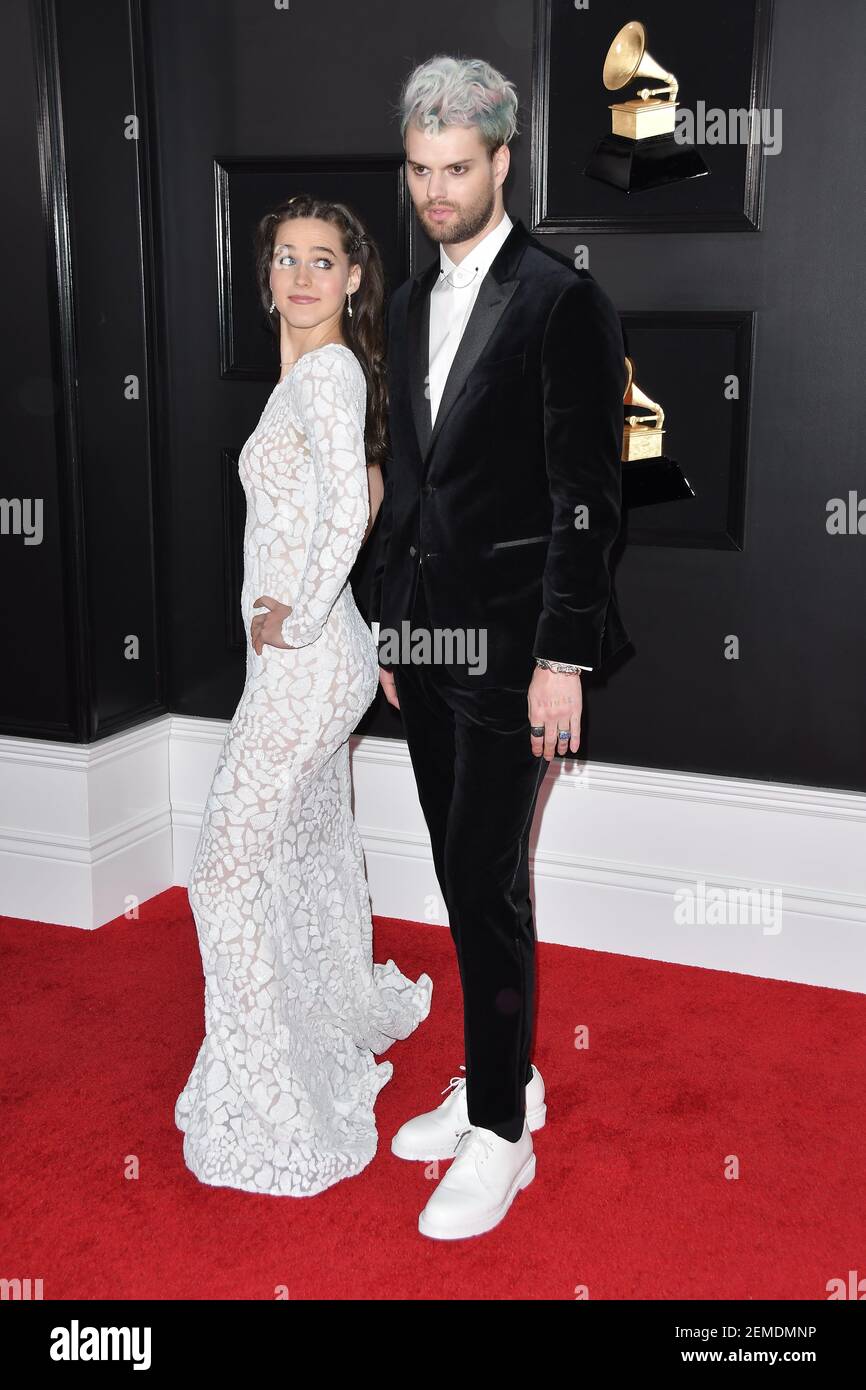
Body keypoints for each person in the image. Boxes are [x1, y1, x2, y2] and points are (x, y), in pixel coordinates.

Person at [370, 56, 630, 1239]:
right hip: (427, 639)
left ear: (501, 162)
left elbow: (589, 494)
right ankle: (505, 1076)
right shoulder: (415, 299)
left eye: (455, 171)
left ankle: (502, 1136)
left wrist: (562, 657)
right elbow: (415, 483)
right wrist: (391, 621)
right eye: (419, 171)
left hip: (519, 652)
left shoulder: (559, 299)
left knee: (484, 882)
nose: (434, 192)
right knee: (457, 872)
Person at [175, 195, 432, 1197]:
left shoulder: (325, 373)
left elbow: (342, 518)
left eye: (321, 260)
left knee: (221, 871)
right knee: (309, 842)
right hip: (334, 661)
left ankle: (270, 1100)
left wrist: (300, 609)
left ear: (354, 277)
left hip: (307, 662)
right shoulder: (325, 374)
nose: (298, 275)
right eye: (283, 257)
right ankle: (321, 1015)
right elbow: (366, 490)